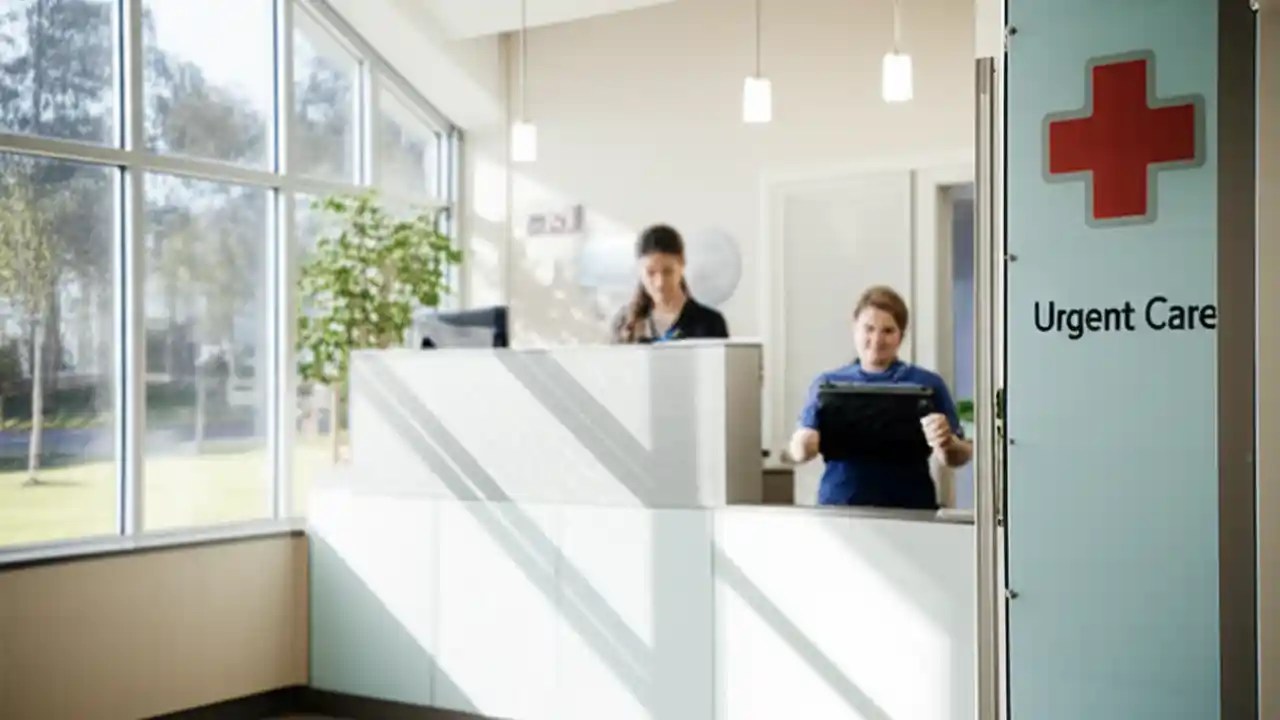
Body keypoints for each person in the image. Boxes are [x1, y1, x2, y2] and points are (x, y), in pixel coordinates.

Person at [787, 285, 972, 509]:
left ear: (901, 335)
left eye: (888, 331)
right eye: (869, 329)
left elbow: (959, 456)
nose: (876, 340)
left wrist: (946, 442)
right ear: (855, 329)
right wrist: (802, 445)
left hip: (912, 510)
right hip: (841, 508)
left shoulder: (928, 383)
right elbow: (799, 450)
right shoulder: (825, 384)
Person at [610, 224, 730, 343]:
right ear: (639, 270)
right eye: (651, 273)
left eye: (668, 272)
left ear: (682, 264)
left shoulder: (710, 323)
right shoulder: (624, 324)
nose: (660, 283)